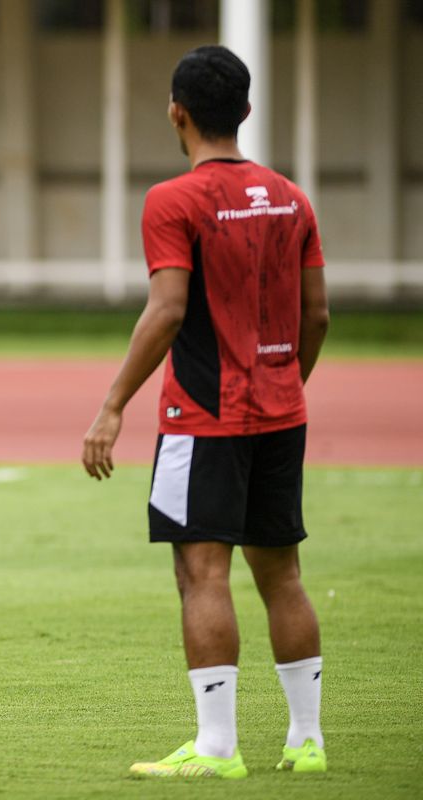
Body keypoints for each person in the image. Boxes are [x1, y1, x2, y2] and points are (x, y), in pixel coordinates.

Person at [81, 45, 330, 779]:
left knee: (203, 573)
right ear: (246, 112)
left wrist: (111, 406)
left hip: (205, 418)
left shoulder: (174, 200)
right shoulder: (292, 196)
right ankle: (306, 741)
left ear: (176, 114)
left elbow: (166, 310)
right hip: (284, 413)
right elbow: (316, 313)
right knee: (282, 574)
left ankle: (218, 748)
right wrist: (286, 383)